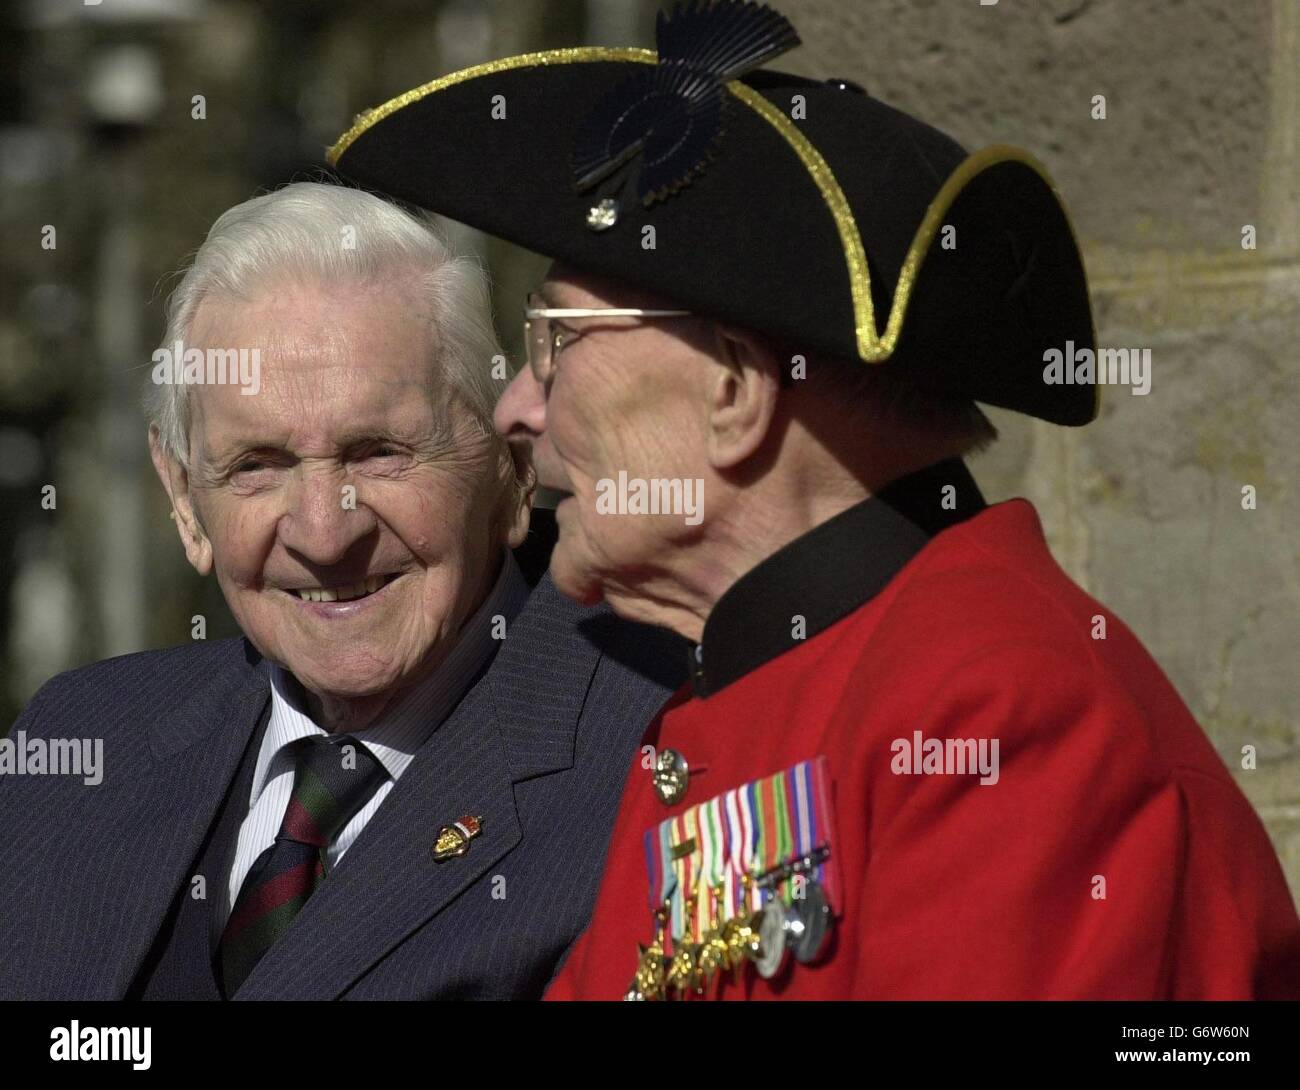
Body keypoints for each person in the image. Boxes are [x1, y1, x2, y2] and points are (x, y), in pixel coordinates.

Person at [326, 1, 1300, 999]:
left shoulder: (1002, 707)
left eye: (558, 343)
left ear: (734, 394)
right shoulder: (749, 699)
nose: (517, 406)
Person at [0, 182, 682, 1000]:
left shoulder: (662, 744)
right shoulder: (77, 744)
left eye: (379, 453)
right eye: (257, 466)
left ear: (512, 469)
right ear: (184, 499)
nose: (325, 533)